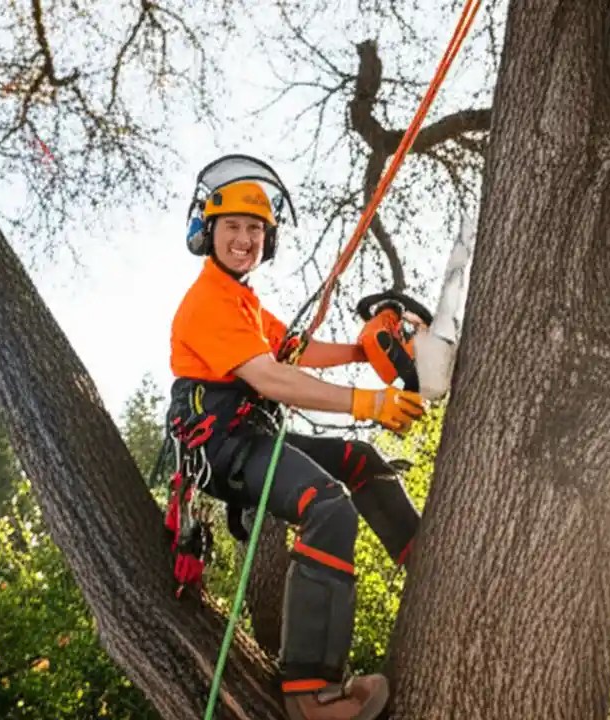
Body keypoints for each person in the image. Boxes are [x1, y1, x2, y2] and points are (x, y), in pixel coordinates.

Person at [167, 164, 426, 720]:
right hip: (220, 446)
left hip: (248, 433)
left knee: (361, 461)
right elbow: (273, 379)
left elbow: (293, 350)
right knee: (326, 505)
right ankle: (310, 693)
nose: (244, 240)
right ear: (206, 232)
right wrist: (369, 403)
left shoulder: (244, 302)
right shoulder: (207, 301)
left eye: (256, 230)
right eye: (232, 226)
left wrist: (361, 351)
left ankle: (428, 565)